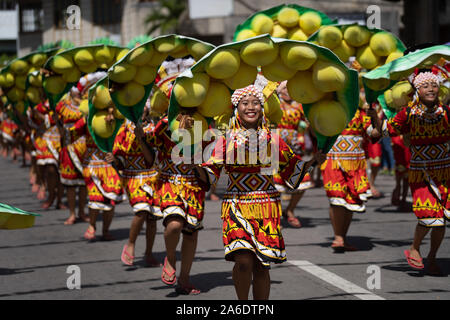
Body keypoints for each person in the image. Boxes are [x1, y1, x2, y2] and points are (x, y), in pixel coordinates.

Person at [193, 85, 325, 300]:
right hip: (236, 204)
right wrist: (194, 160)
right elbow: (210, 172)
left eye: (255, 103)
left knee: (262, 266)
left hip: (267, 205)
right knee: (243, 262)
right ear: (236, 108)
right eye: (245, 103)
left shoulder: (273, 138)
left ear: (262, 109)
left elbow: (291, 170)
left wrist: (312, 162)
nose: (251, 107)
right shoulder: (225, 138)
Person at [135, 112, 207, 295]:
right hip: (169, 183)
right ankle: (170, 257)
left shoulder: (205, 123)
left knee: (191, 234)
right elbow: (151, 156)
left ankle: (184, 279)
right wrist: (141, 138)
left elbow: (211, 160)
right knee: (174, 225)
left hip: (194, 186)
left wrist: (197, 165)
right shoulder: (165, 124)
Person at [387, 70, 449, 275]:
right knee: (429, 216)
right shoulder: (408, 113)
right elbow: (388, 130)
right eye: (425, 86)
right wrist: (374, 121)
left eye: (433, 85)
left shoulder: (446, 111)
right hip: (421, 173)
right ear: (417, 90)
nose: (430, 89)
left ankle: (431, 258)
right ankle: (414, 247)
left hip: (445, 172)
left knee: (441, 221)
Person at [321, 89, 383, 253]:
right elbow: (316, 131)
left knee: (351, 200)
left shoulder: (361, 113)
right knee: (336, 199)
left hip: (356, 163)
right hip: (333, 160)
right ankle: (338, 237)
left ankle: (343, 236)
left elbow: (375, 134)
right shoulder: (325, 109)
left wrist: (375, 116)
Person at [68, 73, 124, 241]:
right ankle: (92, 225)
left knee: (111, 199)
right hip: (92, 163)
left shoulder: (120, 118)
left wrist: (116, 156)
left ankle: (106, 230)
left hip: (109, 165)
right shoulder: (87, 119)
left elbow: (124, 140)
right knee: (95, 198)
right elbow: (72, 135)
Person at [108, 107, 161, 267]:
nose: (141, 108)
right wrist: (113, 160)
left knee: (152, 218)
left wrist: (141, 139)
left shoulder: (154, 128)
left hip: (153, 176)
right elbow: (120, 160)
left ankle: (149, 253)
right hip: (133, 176)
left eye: (144, 104)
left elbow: (151, 159)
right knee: (142, 210)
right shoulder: (123, 129)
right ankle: (130, 244)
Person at [272, 81, 313, 228]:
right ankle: (275, 216)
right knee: (275, 186)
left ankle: (290, 210)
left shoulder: (299, 105)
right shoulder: (274, 102)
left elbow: (305, 123)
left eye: (291, 89)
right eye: (285, 89)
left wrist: (303, 132)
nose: (288, 92)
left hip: (294, 149)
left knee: (302, 182)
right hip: (275, 150)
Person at [54, 86, 89, 225]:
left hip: (85, 148)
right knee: (70, 184)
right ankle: (72, 213)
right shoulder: (62, 105)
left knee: (83, 184)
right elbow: (58, 121)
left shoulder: (88, 103)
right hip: (69, 147)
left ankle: (81, 211)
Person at [391, 134, 411, 211]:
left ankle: (403, 200)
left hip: (408, 160)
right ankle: (398, 198)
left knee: (406, 182)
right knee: (399, 182)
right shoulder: (396, 136)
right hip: (400, 161)